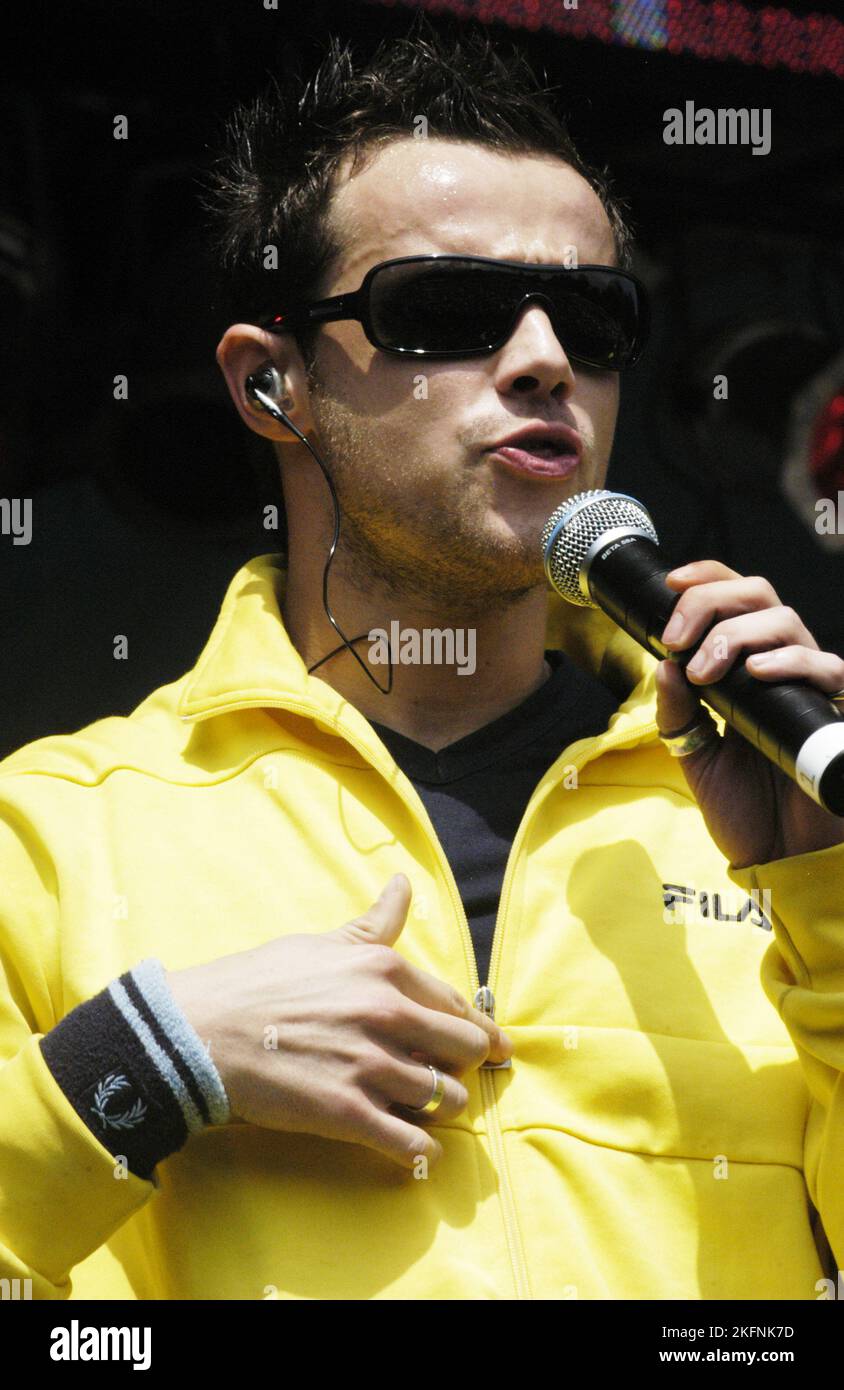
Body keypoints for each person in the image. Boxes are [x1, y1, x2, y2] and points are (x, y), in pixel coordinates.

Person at [2, 20, 844, 1303]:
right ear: (271, 385)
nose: (543, 360)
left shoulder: (783, 826)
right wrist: (134, 1068)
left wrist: (830, 912)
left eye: (594, 316)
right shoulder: (50, 837)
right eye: (446, 309)